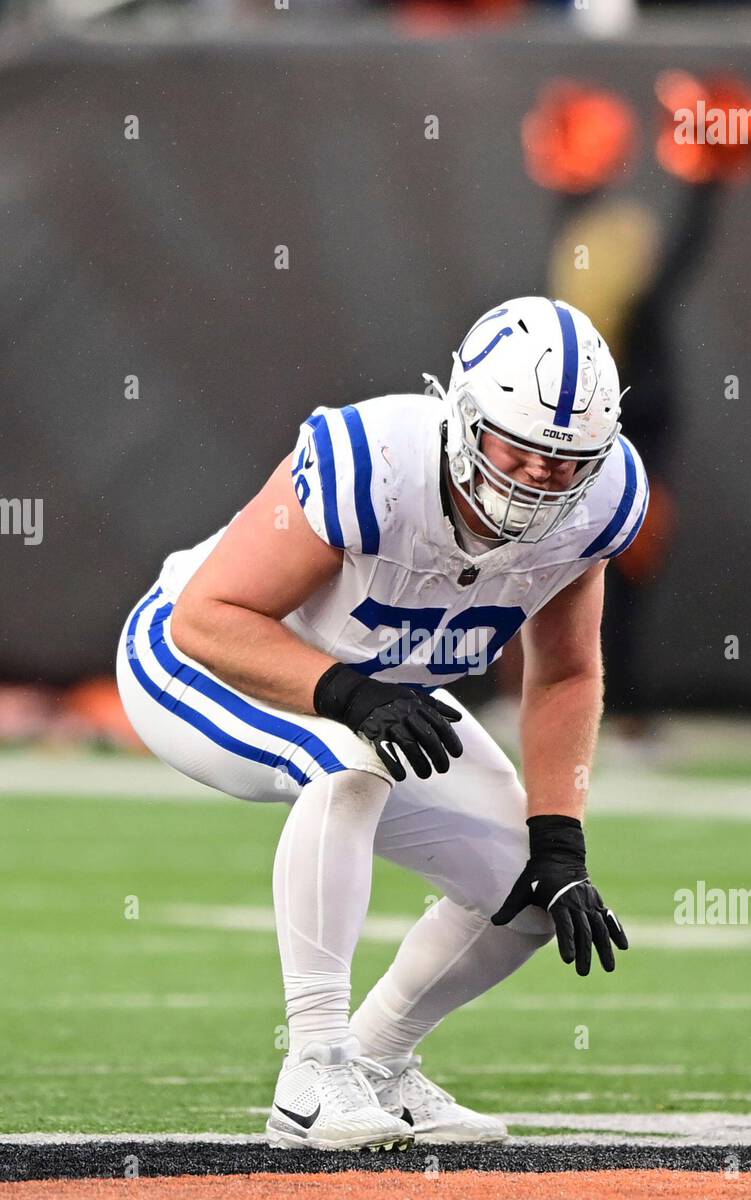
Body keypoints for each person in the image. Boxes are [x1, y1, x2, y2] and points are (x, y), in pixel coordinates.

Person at [116, 296, 647, 1151]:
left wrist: (559, 838)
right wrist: (352, 697)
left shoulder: (603, 501)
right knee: (349, 764)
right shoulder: (375, 462)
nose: (542, 479)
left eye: (568, 461)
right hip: (203, 660)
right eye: (522, 449)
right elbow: (208, 618)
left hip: (369, 693)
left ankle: (375, 1066)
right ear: (465, 417)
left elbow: (566, 672)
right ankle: (312, 1071)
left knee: (525, 894)